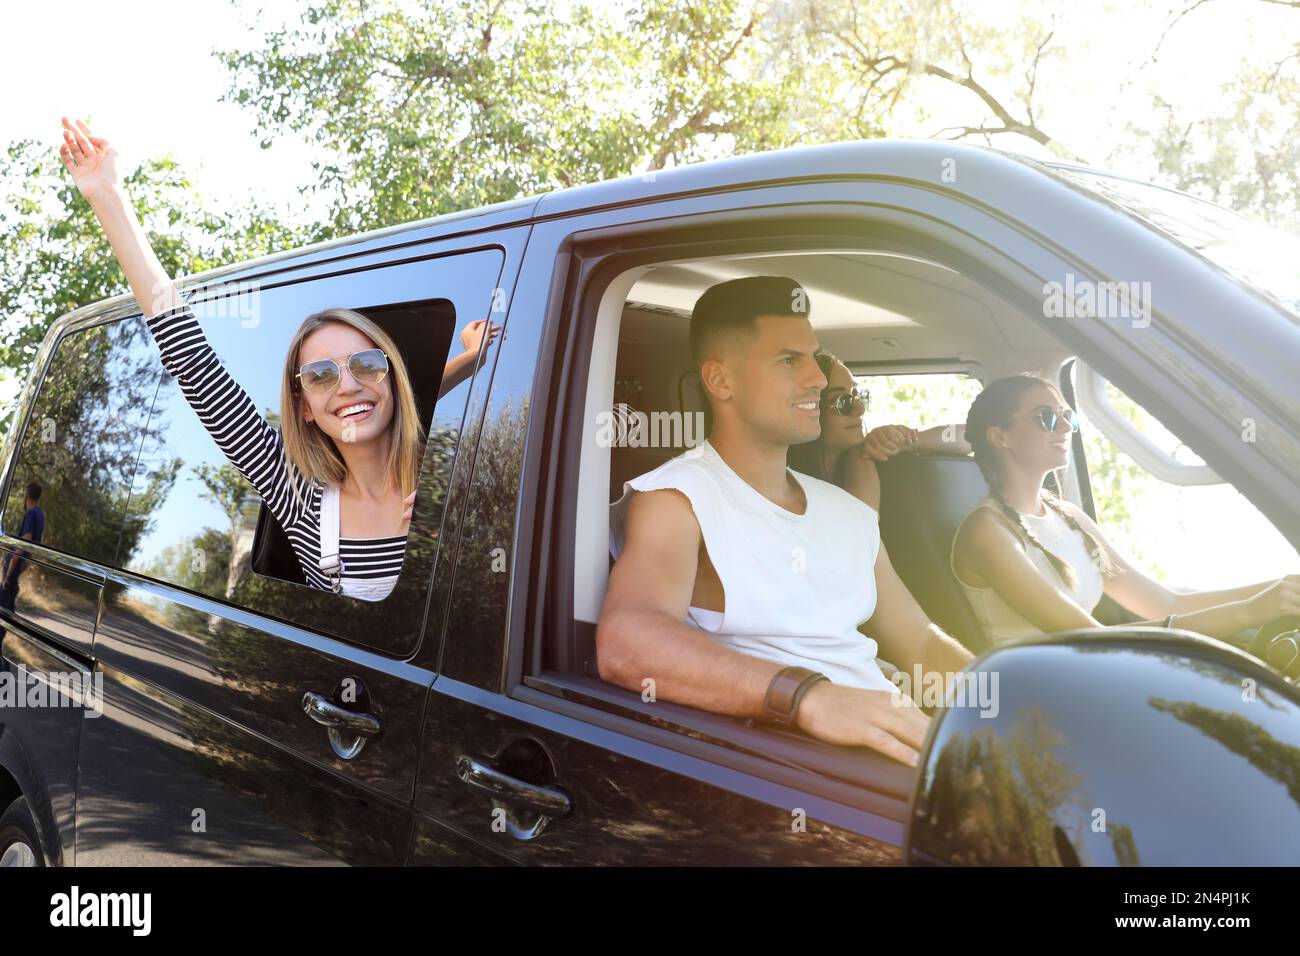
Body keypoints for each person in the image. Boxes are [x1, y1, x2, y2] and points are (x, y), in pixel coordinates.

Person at [58, 117, 498, 600]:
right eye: (321, 375)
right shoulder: (299, 498)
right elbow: (194, 362)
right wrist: (108, 198)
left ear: (393, 380)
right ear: (305, 406)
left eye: (367, 364)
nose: (348, 385)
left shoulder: (456, 475)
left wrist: (472, 360)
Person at [601, 275, 973, 768]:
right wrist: (806, 696)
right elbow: (628, 641)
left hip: (898, 753)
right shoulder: (678, 498)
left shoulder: (847, 511)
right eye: (788, 360)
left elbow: (921, 640)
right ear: (720, 381)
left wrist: (1010, 706)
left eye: (814, 358)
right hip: (803, 773)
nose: (818, 379)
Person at [950, 373, 1300, 645]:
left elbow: (1166, 603)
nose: (1064, 428)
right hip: (1033, 705)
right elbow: (1090, 639)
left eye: (1066, 416)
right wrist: (1249, 612)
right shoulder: (988, 532)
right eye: (1046, 417)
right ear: (1000, 437)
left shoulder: (1068, 517)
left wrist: (1281, 590)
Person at [787, 349, 970, 511]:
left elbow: (968, 437)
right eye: (843, 402)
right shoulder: (786, 486)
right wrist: (859, 456)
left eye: (858, 397)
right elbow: (862, 525)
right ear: (810, 408)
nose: (860, 409)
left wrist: (906, 442)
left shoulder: (876, 452)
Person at [0, 481, 46, 633]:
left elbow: (24, 543)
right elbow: (32, 549)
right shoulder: (40, 515)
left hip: (12, 573)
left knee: (3, 611)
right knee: (7, 611)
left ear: (28, 496)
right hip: (18, 569)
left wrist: (8, 575)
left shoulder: (31, 514)